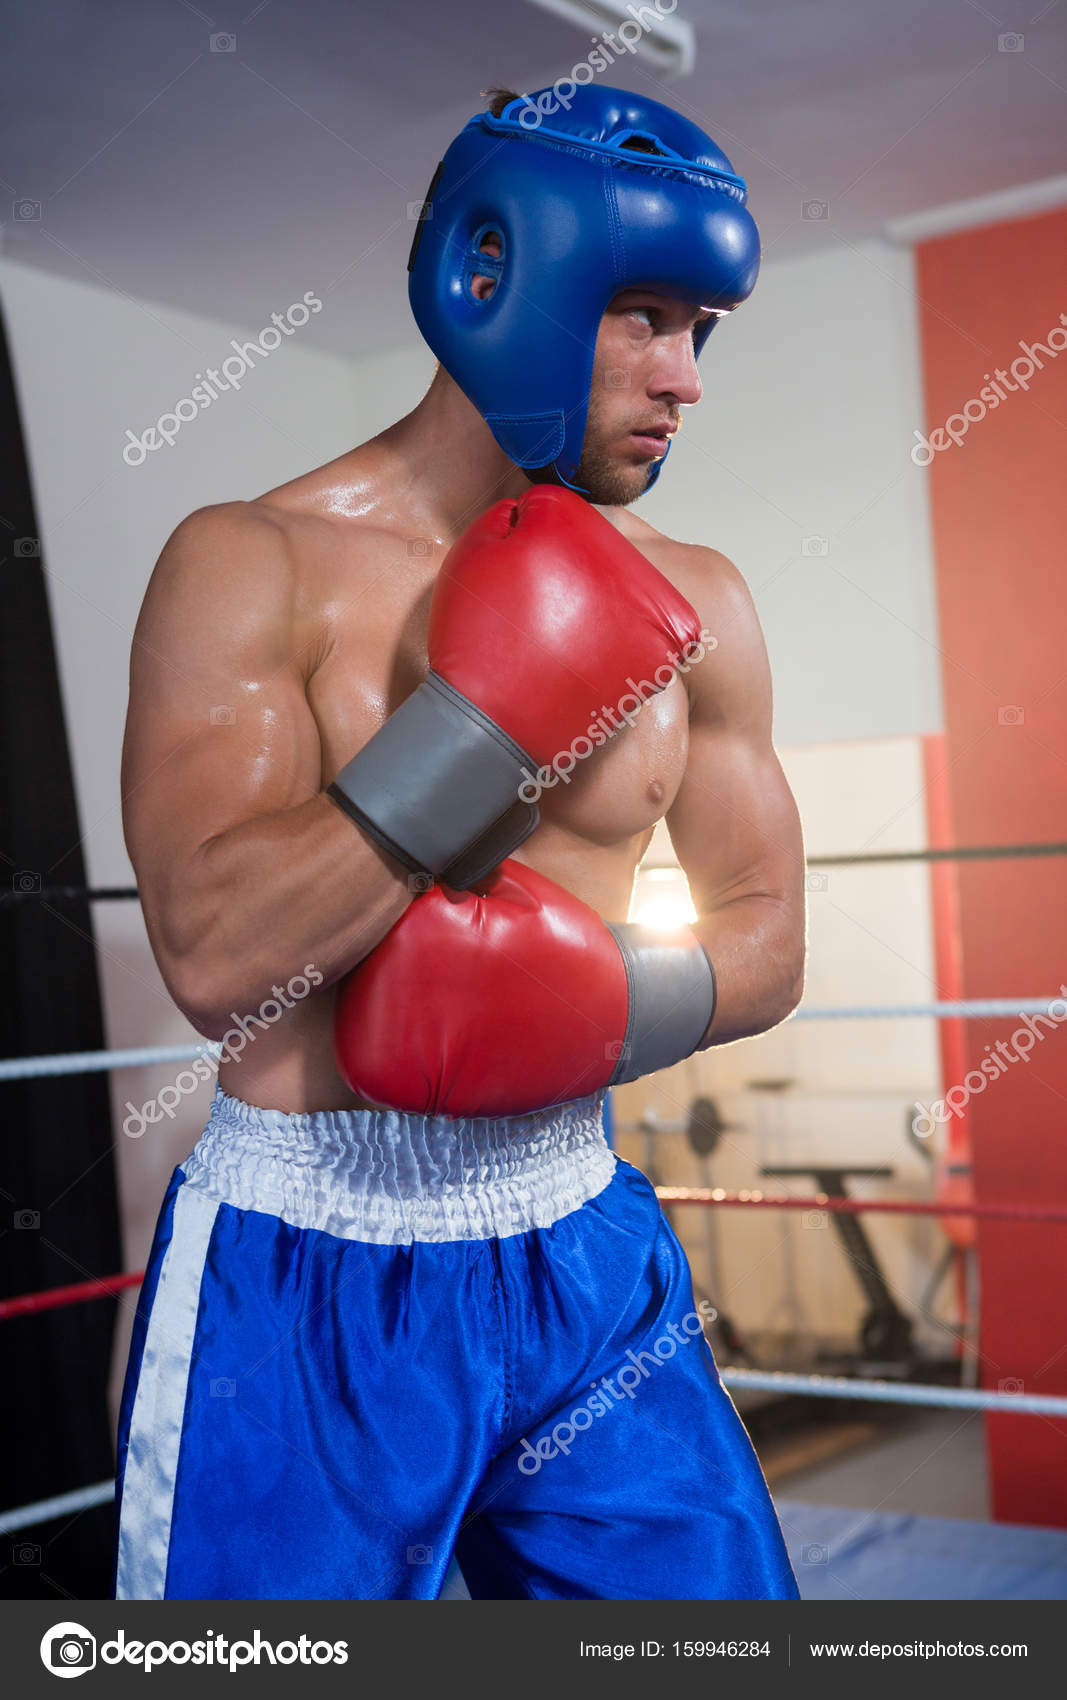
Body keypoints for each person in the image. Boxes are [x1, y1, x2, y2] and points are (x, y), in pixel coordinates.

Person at [113, 84, 806, 1602]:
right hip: (308, 1267)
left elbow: (767, 943)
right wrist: (480, 731)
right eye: (643, 315)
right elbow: (218, 959)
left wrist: (591, 1004)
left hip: (581, 1242)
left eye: (703, 330)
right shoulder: (252, 562)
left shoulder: (699, 599)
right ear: (496, 272)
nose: (686, 378)